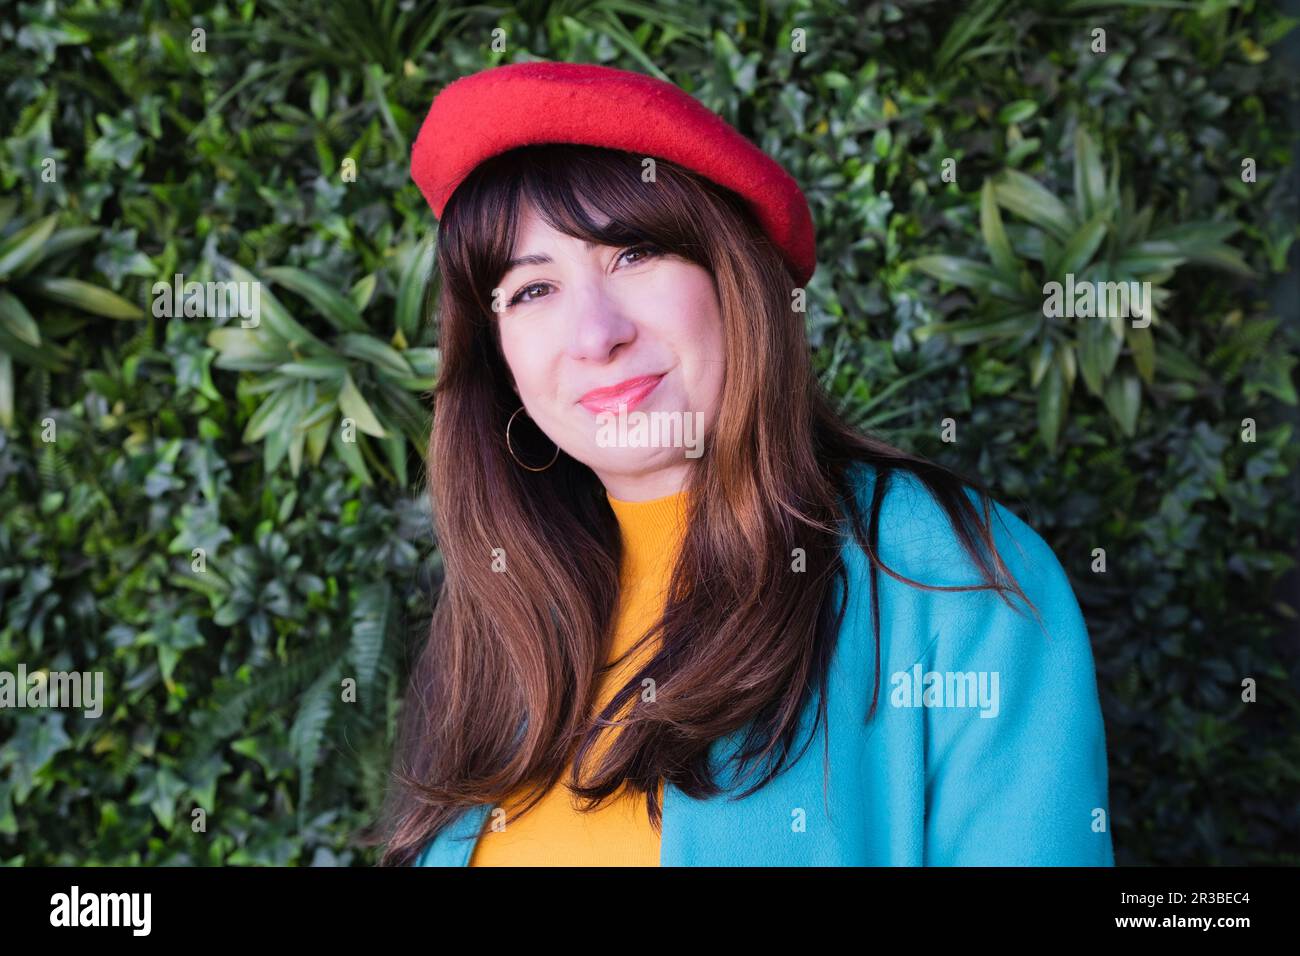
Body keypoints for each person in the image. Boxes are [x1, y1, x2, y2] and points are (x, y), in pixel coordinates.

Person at [369, 61, 1114, 867]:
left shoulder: (945, 572)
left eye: (633, 254)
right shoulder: (501, 610)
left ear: (736, 278)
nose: (595, 334)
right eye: (531, 291)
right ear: (498, 358)